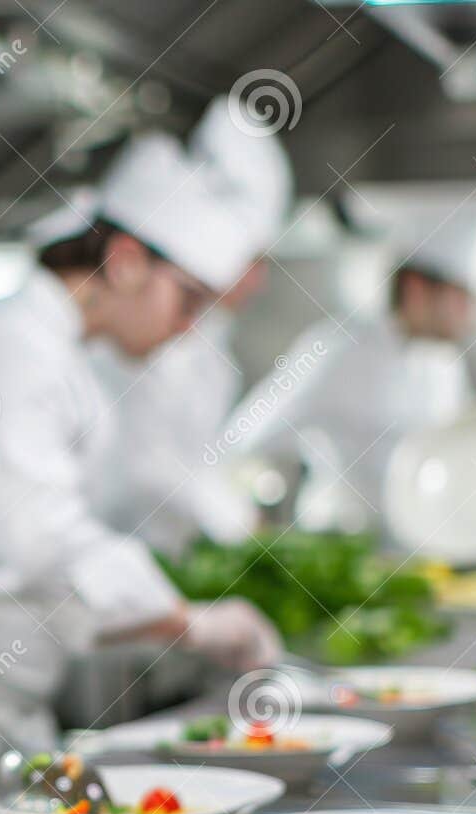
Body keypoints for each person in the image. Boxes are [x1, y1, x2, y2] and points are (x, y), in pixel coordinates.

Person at [0, 131, 282, 755]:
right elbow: (45, 542)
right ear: (127, 260)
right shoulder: (6, 347)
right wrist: (191, 624)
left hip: (0, 712)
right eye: (187, 301)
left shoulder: (58, 351)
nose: (187, 330)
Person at [85, 97, 294, 554]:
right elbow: (147, 466)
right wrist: (240, 527)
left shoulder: (207, 340)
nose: (257, 280)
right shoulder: (127, 335)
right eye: (252, 259)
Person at [222, 209, 476, 535]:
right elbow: (246, 436)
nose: (472, 317)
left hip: (423, 547)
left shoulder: (446, 364)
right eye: (462, 299)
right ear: (416, 289)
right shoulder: (338, 349)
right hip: (341, 545)